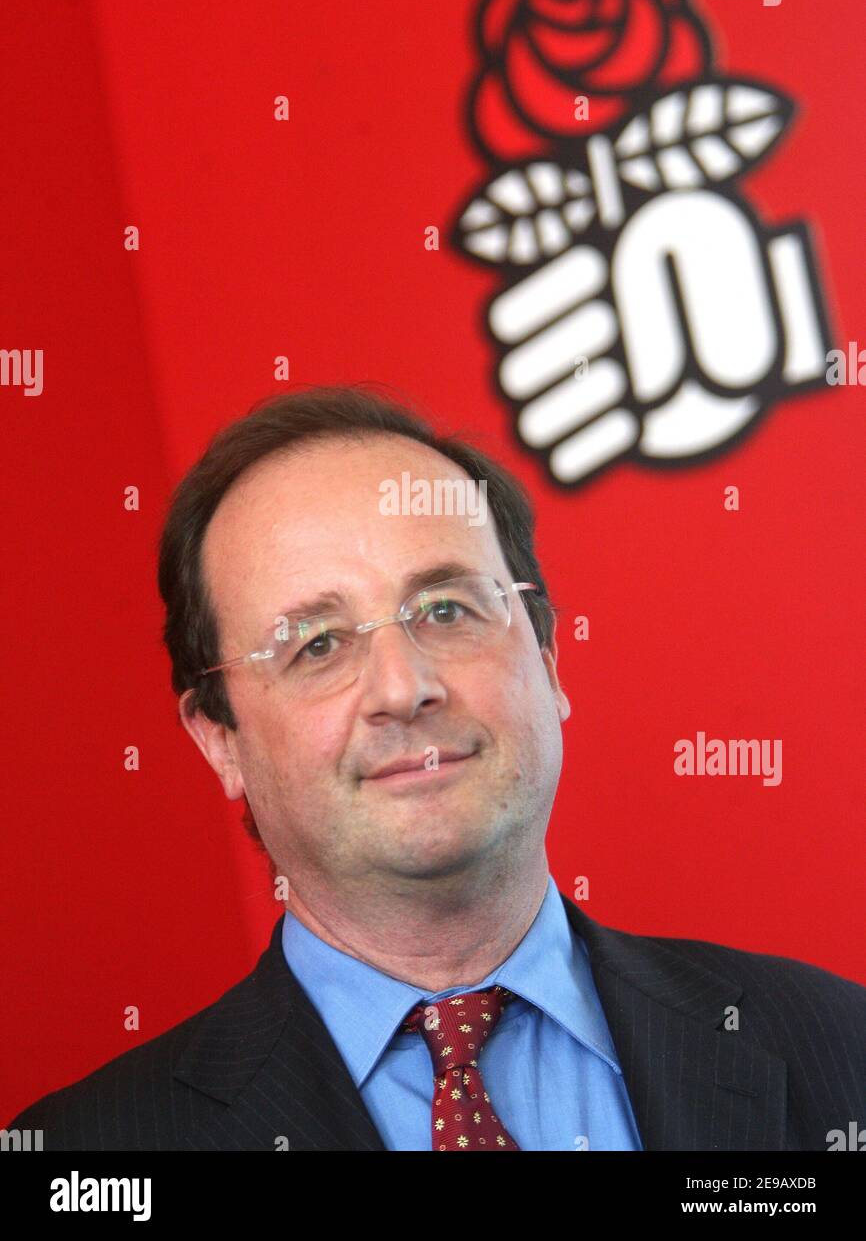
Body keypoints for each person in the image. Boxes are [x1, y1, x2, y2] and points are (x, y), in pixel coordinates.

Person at [7, 385, 865, 1151]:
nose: (404, 688)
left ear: (550, 660)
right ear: (220, 740)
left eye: (447, 608)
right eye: (317, 645)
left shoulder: (838, 1048)